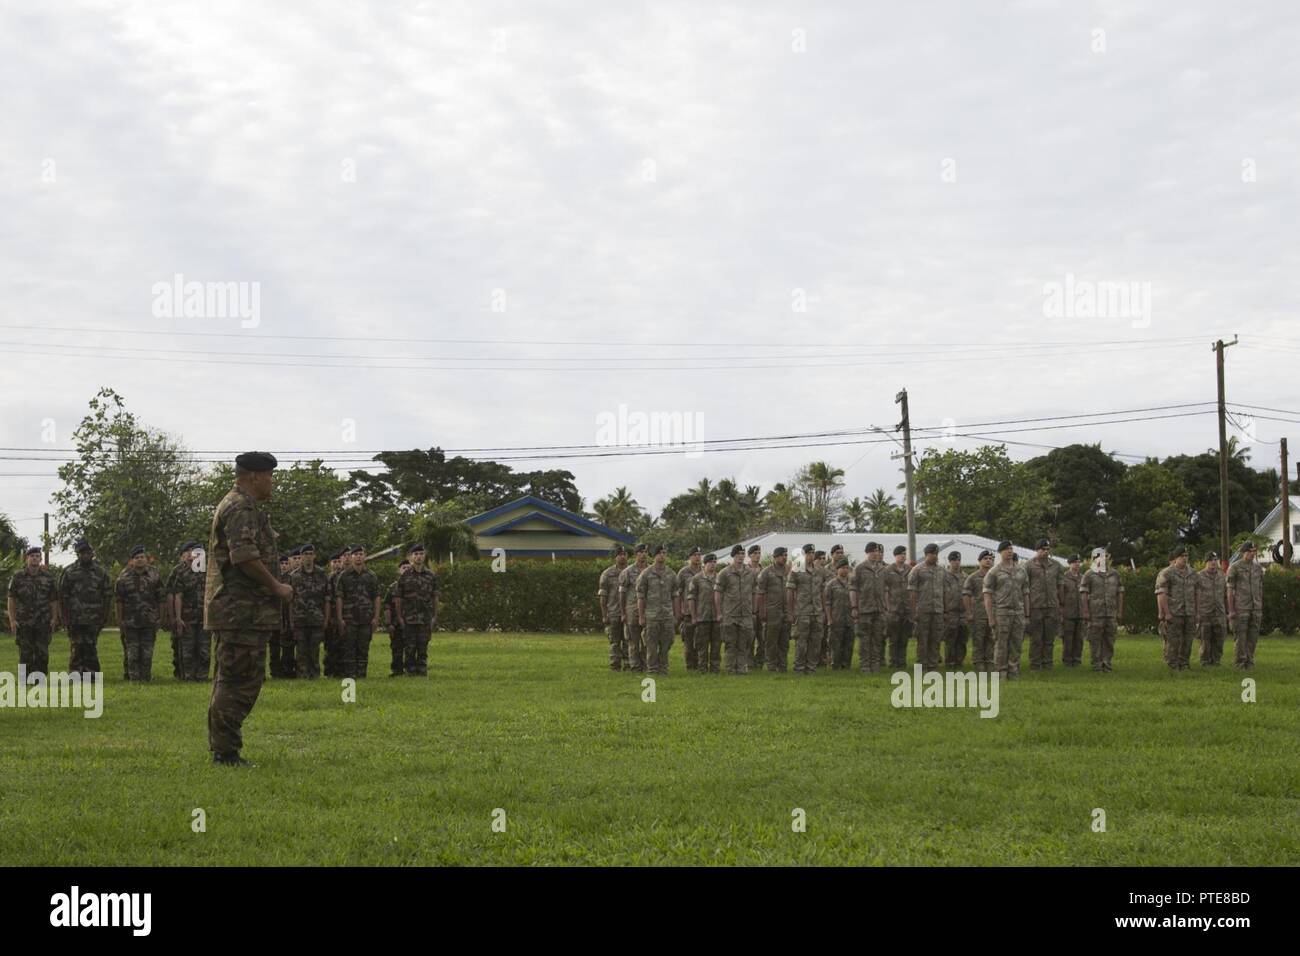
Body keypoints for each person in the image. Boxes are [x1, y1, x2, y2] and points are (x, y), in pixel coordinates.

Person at [205, 451, 291, 766]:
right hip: (240, 611)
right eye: (269, 476)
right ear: (253, 476)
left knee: (234, 678)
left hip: (242, 611)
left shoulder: (239, 504)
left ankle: (224, 749)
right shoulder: (240, 506)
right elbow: (243, 556)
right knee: (238, 681)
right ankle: (225, 753)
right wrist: (277, 587)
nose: (273, 482)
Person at [59, 538, 111, 677]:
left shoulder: (101, 572)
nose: (85, 555)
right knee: (76, 647)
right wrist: (64, 618)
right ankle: (75, 674)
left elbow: (107, 596)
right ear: (78, 554)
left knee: (90, 647)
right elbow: (63, 596)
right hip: (74, 617)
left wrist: (104, 617)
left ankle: (92, 674)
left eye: (87, 552)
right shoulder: (69, 572)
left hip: (94, 617)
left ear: (92, 553)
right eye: (82, 553)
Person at [7, 545, 58, 678]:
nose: (34, 559)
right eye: (32, 556)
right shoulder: (18, 577)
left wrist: (54, 618)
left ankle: (40, 678)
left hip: (43, 621)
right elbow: (11, 599)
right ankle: (25, 678)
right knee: (25, 652)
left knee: (42, 651)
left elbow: (53, 600)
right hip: (24, 621)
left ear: (40, 559)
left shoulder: (48, 578)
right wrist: (12, 620)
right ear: (26, 559)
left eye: (37, 556)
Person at [116, 545, 165, 681]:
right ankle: (134, 678)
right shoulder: (123, 578)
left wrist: (160, 617)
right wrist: (119, 620)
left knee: (147, 652)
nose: (139, 560)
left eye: (142, 557)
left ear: (146, 559)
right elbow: (119, 601)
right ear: (132, 560)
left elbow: (161, 598)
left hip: (149, 621)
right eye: (136, 558)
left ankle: (146, 677)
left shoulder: (155, 575)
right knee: (132, 653)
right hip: (130, 621)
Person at [983, 541, 1029, 680]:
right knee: (1001, 644)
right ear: (1000, 552)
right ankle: (1001, 673)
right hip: (1002, 613)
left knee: (1016, 644)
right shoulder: (994, 571)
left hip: (1018, 613)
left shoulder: (1021, 570)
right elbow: (987, 595)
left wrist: (1027, 614)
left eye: (1011, 549)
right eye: (1006, 549)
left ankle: (1013, 671)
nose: (1009, 551)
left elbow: (1026, 592)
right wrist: (991, 617)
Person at [335, 546, 380, 678]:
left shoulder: (371, 576)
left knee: (363, 648)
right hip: (349, 619)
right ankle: (350, 675)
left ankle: (361, 674)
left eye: (361, 554)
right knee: (349, 648)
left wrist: (376, 617)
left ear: (364, 556)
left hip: (366, 618)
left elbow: (376, 597)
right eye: (356, 554)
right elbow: (339, 597)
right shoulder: (344, 576)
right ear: (352, 557)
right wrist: (339, 618)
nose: (358, 557)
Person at [396, 543, 439, 676]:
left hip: (425, 617)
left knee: (423, 645)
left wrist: (434, 616)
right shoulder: (405, 576)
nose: (419, 557)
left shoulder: (431, 576)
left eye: (421, 554)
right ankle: (410, 670)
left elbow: (435, 597)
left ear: (424, 556)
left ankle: (421, 670)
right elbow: (398, 598)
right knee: (409, 646)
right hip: (408, 617)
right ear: (411, 557)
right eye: (416, 554)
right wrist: (399, 616)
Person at [170, 541, 210, 681]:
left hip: (205, 618)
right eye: (195, 554)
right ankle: (188, 676)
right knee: (188, 648)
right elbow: (178, 596)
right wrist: (178, 617)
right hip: (188, 617)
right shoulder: (183, 573)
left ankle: (202, 676)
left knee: (204, 648)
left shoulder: (209, 572)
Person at [636, 545, 679, 675]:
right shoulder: (646, 574)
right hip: (652, 615)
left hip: (667, 615)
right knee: (651, 645)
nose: (662, 555)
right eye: (660, 553)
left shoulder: (671, 574)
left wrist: (676, 614)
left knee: (667, 643)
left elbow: (675, 595)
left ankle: (663, 669)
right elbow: (640, 596)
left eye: (664, 553)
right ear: (654, 556)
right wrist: (641, 616)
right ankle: (653, 670)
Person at [289, 544, 330, 678]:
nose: (308, 557)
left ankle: (315, 675)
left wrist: (326, 618)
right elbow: (290, 600)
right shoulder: (294, 576)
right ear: (301, 557)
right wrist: (291, 621)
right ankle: (302, 675)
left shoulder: (322, 574)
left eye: (310, 554)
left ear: (314, 556)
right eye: (305, 554)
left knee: (314, 649)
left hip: (317, 618)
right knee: (301, 650)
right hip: (299, 619)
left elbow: (327, 598)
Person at [1079, 547, 1123, 672]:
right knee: (1095, 639)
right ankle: (1097, 665)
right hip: (1095, 613)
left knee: (1109, 639)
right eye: (1099, 556)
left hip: (1111, 612)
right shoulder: (1089, 574)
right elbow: (1084, 594)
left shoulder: (1115, 574)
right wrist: (1086, 611)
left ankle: (1107, 663)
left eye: (1104, 556)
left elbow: (1120, 593)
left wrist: (1119, 611)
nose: (1102, 559)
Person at [1155, 545, 1197, 670]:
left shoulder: (1193, 573)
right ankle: (1172, 664)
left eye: (1186, 556)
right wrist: (1166, 612)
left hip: (1189, 612)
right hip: (1174, 612)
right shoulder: (1167, 573)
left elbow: (1197, 592)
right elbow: (1161, 594)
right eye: (1181, 556)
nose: (1184, 558)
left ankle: (1184, 663)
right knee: (1173, 640)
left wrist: (1197, 611)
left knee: (1188, 640)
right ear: (1175, 558)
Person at [715, 545, 755, 675]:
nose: (741, 556)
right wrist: (719, 612)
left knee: (744, 643)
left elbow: (755, 591)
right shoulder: (724, 573)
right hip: (730, 614)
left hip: (745, 614)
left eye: (743, 553)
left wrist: (753, 609)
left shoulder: (750, 573)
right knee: (731, 643)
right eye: (738, 554)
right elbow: (718, 593)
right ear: (733, 555)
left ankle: (742, 668)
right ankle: (731, 669)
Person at [850, 542, 889, 673]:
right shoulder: (860, 568)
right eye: (873, 551)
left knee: (878, 638)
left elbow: (886, 589)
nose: (875, 553)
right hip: (865, 609)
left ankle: (875, 664)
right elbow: (853, 589)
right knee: (865, 639)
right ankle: (865, 665)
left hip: (879, 609)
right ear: (867, 553)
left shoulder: (883, 569)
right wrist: (854, 607)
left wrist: (886, 606)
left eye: (877, 551)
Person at [1024, 538, 1063, 670]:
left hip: (1051, 607)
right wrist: (1026, 609)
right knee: (1036, 638)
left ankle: (1047, 663)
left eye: (1047, 549)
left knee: (1049, 638)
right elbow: (1024, 588)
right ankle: (1035, 664)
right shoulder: (1028, 566)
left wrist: (1060, 604)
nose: (1046, 552)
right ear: (1037, 550)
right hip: (1036, 606)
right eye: (1043, 549)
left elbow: (1059, 586)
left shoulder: (1056, 565)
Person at [1226, 540, 1264, 669]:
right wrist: (1231, 610)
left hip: (1255, 608)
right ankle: (1240, 663)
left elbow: (1260, 588)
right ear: (1243, 552)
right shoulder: (1235, 567)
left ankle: (1249, 661)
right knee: (1241, 637)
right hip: (1241, 607)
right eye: (1250, 552)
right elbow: (1230, 590)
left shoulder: (1258, 568)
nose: (1252, 554)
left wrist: (1260, 605)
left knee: (1253, 637)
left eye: (1254, 552)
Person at [786, 544, 822, 675]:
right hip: (802, 612)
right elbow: (790, 591)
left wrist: (821, 609)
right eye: (808, 553)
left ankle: (811, 668)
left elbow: (821, 590)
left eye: (813, 553)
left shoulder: (819, 570)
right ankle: (799, 668)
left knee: (815, 642)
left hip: (817, 612)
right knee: (801, 642)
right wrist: (790, 612)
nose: (811, 555)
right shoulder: (796, 570)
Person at [909, 543, 945, 672]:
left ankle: (933, 665)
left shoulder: (941, 570)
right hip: (923, 610)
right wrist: (914, 612)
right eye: (932, 554)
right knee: (923, 639)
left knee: (936, 639)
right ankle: (922, 666)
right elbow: (912, 592)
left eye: (936, 554)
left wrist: (944, 610)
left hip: (938, 610)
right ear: (926, 555)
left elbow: (944, 590)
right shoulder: (917, 570)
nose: (935, 556)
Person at [756, 547, 791, 671]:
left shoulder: (789, 570)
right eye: (782, 555)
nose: (785, 557)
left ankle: (782, 665)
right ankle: (771, 665)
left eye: (786, 555)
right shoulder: (766, 572)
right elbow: (760, 593)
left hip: (786, 611)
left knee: (784, 641)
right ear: (775, 557)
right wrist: (762, 611)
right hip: (772, 612)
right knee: (771, 641)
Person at [687, 553, 721, 673]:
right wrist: (694, 616)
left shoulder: (719, 577)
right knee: (702, 645)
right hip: (702, 616)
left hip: (717, 617)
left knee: (716, 644)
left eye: (714, 562)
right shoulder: (697, 578)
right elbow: (691, 598)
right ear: (705, 564)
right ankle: (702, 667)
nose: (713, 564)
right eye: (710, 562)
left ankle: (715, 667)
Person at [598, 546, 629, 671]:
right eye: (620, 554)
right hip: (613, 612)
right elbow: (603, 596)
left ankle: (629, 665)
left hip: (629, 612)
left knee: (629, 641)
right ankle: (615, 665)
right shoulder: (607, 574)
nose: (623, 556)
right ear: (615, 557)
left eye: (625, 554)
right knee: (615, 642)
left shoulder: (631, 572)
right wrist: (604, 614)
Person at [619, 545, 650, 672]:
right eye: (641, 552)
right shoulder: (627, 571)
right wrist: (623, 612)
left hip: (649, 610)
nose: (644, 554)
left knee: (648, 641)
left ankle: (646, 665)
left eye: (646, 552)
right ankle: (635, 666)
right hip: (632, 609)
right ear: (636, 554)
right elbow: (622, 593)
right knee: (633, 641)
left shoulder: (650, 570)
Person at [963, 550, 994, 672]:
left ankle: (990, 661)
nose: (988, 560)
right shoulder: (973, 577)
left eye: (990, 558)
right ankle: (979, 662)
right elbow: (966, 595)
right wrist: (969, 612)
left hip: (993, 613)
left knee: (991, 639)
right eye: (985, 558)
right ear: (980, 561)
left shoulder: (995, 575)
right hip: (978, 614)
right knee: (979, 639)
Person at [1196, 552, 1227, 667]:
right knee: (1205, 639)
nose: (1213, 562)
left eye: (1215, 560)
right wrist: (1197, 612)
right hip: (1205, 612)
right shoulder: (1199, 576)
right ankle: (1205, 661)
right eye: (1211, 560)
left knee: (1219, 638)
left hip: (1219, 612)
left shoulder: (1222, 576)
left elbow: (1226, 594)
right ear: (1206, 562)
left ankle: (1216, 660)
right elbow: (1195, 595)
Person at [824, 557, 854, 669]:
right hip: (836, 618)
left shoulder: (852, 583)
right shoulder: (831, 584)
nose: (845, 570)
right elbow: (827, 603)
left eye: (847, 568)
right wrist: (829, 618)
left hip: (849, 618)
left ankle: (846, 666)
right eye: (842, 568)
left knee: (849, 643)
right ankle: (834, 665)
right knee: (835, 644)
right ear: (837, 569)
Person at [885, 546, 911, 669]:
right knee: (893, 638)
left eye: (904, 554)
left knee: (904, 638)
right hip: (893, 609)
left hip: (906, 609)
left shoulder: (910, 570)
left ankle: (902, 661)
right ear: (895, 556)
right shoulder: (888, 570)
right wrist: (888, 607)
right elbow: (885, 590)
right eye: (900, 554)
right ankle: (893, 662)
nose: (903, 556)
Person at [676, 547, 702, 671]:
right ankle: (690, 666)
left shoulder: (704, 571)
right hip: (688, 612)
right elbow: (678, 592)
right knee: (689, 641)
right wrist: (680, 608)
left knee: (701, 641)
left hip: (703, 611)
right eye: (695, 555)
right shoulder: (683, 572)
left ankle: (699, 665)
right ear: (690, 557)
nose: (697, 557)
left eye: (699, 555)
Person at [384, 559, 410, 676]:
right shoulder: (392, 588)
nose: (406, 569)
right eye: (403, 567)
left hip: (412, 622)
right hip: (396, 624)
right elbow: (387, 606)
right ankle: (397, 670)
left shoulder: (416, 585)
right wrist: (388, 623)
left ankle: (412, 670)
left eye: (408, 567)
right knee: (397, 648)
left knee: (412, 647)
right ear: (398, 570)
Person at [941, 551, 967, 668]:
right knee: (950, 638)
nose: (956, 563)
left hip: (962, 611)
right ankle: (950, 662)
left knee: (962, 638)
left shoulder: (965, 576)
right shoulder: (944, 576)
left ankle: (959, 661)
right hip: (950, 611)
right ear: (950, 561)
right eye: (954, 560)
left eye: (958, 560)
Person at [1059, 555, 1085, 667]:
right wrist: (1061, 611)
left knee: (1079, 639)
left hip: (1080, 612)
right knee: (1068, 639)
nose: (1077, 564)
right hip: (1068, 613)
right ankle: (1067, 660)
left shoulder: (1083, 578)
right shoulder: (1064, 578)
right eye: (1075, 562)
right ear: (1069, 564)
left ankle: (1077, 659)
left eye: (1079, 562)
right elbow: (1060, 595)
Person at [745, 545, 764, 669]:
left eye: (759, 553)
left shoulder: (764, 570)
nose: (757, 555)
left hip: (762, 609)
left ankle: (760, 661)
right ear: (750, 555)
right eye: (755, 553)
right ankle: (749, 662)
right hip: (749, 608)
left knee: (763, 638)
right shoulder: (745, 570)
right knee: (749, 638)